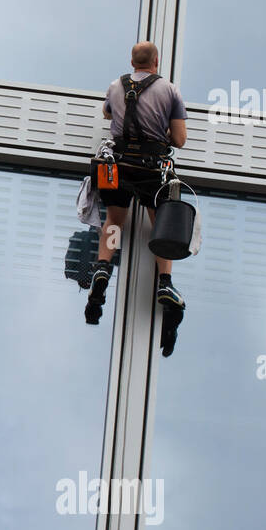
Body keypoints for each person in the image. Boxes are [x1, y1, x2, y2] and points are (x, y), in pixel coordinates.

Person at [86, 41, 189, 324]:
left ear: (132, 63)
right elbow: (179, 139)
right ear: (156, 61)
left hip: (116, 166)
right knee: (161, 226)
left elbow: (107, 112)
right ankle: (165, 282)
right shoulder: (169, 91)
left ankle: (103, 268)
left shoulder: (115, 86)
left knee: (115, 221)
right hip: (151, 169)